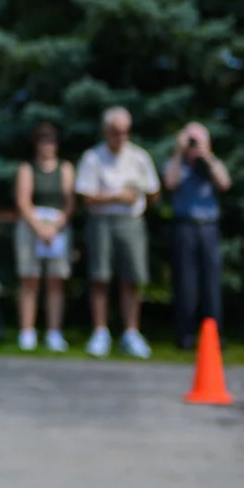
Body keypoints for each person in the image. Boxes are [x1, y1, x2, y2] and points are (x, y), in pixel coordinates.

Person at [75, 106, 161, 359]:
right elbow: (87, 197)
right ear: (106, 131)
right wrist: (116, 195)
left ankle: (131, 332)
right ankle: (100, 332)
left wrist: (138, 192)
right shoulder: (93, 158)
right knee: (100, 277)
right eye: (116, 132)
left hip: (131, 221)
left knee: (132, 278)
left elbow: (154, 191)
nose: (121, 137)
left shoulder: (139, 157)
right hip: (102, 222)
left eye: (125, 132)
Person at [162, 121, 232, 350]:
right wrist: (178, 151)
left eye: (197, 141)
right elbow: (170, 183)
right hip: (184, 226)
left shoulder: (211, 163)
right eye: (190, 141)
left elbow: (225, 184)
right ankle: (185, 335)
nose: (193, 146)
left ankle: (213, 335)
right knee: (185, 282)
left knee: (211, 283)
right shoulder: (178, 164)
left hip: (208, 226)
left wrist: (207, 156)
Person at [13, 122, 75, 352]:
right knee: (30, 279)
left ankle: (54, 332)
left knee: (55, 281)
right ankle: (27, 331)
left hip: (57, 226)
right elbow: (23, 200)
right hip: (32, 226)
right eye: (44, 141)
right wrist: (40, 228)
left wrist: (56, 227)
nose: (48, 146)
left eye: (52, 141)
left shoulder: (65, 168)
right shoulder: (27, 168)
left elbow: (69, 202)